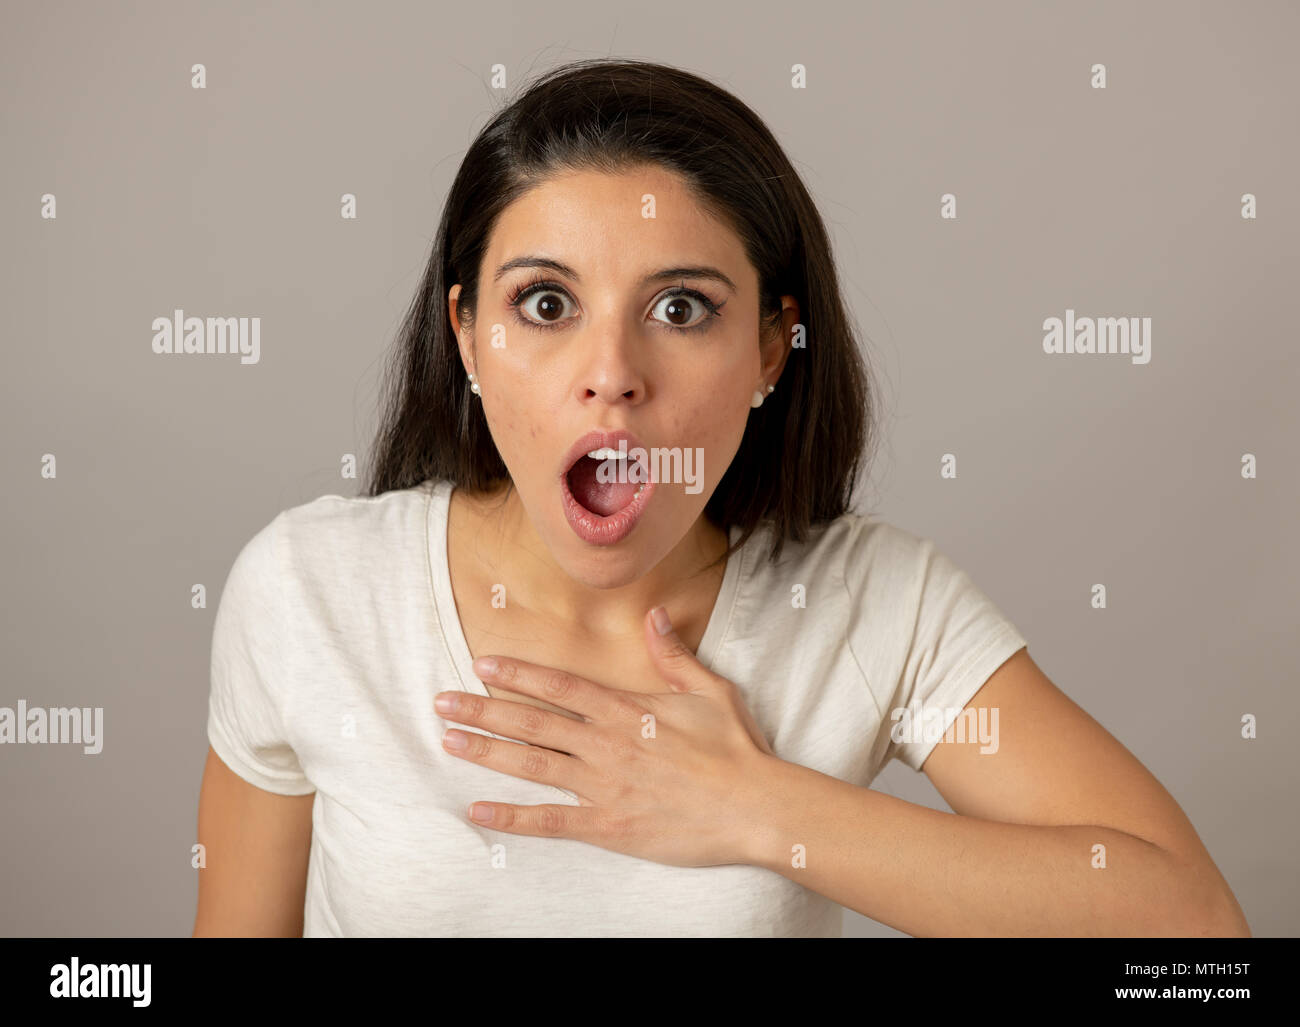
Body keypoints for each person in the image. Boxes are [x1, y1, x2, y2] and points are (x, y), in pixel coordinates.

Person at [192, 57, 1249, 937]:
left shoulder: (869, 603)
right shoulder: (308, 589)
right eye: (546, 302)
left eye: (682, 306)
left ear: (770, 350)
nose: (611, 371)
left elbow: (1192, 936)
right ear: (468, 334)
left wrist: (755, 806)